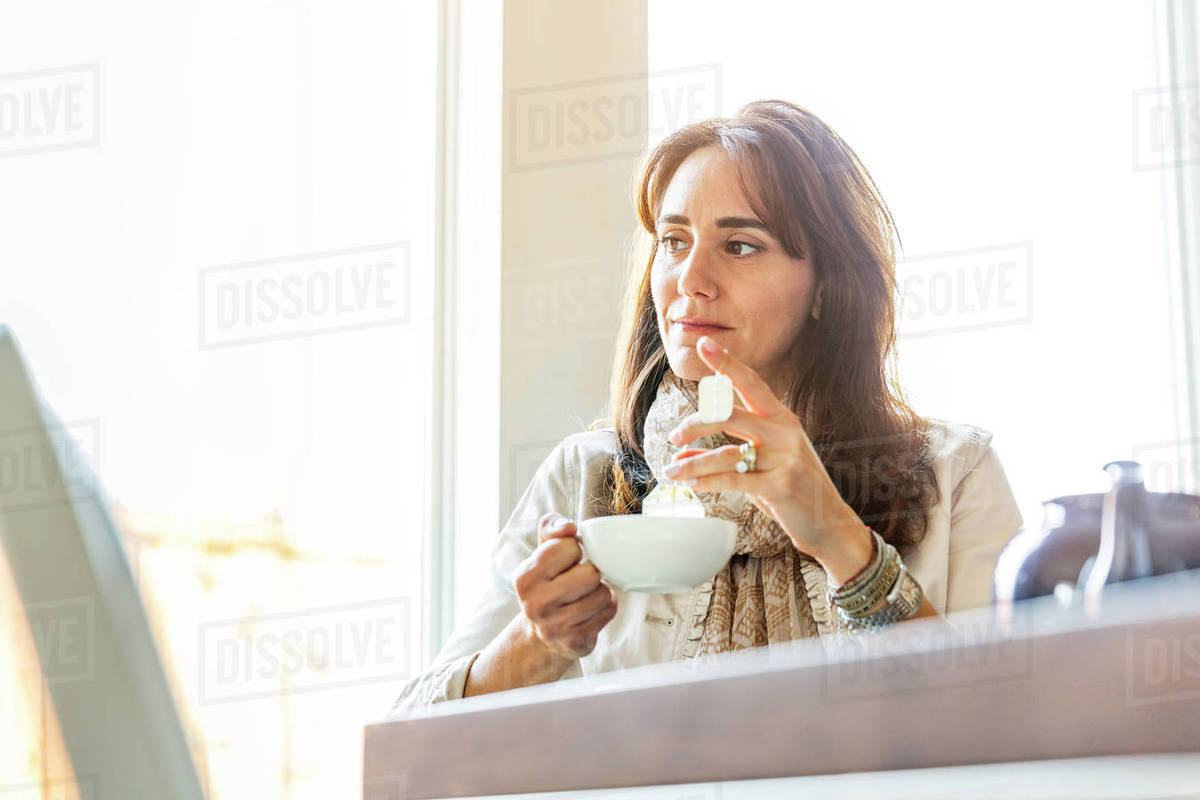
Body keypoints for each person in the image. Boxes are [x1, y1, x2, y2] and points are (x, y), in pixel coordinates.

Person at [389, 100, 1023, 715]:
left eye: (740, 245)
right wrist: (538, 642)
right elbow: (406, 750)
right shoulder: (584, 479)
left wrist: (837, 535)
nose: (690, 280)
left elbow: (1013, 728)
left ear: (829, 286)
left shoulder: (955, 473)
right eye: (674, 240)